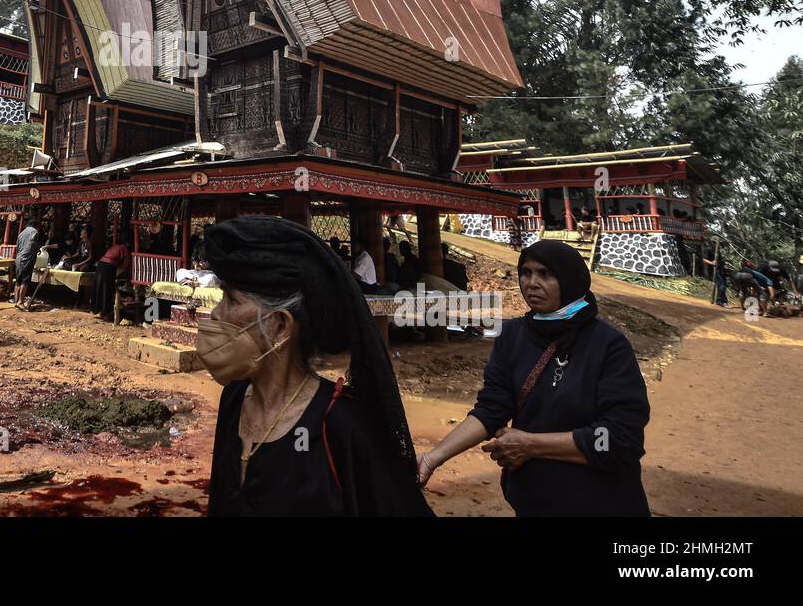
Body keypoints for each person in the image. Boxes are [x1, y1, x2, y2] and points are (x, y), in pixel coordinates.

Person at [199, 215, 432, 516]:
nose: (215, 314)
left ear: (280, 327)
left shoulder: (342, 425)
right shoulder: (233, 399)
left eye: (230, 300)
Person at [420, 240, 651, 516]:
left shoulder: (608, 346)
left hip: (600, 503)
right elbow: (492, 409)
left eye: (545, 274)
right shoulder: (513, 337)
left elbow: (617, 438)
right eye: (526, 272)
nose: (531, 282)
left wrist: (530, 444)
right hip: (535, 503)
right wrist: (432, 459)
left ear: (570, 279)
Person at [92, 230, 131, 319]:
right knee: (107, 289)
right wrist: (116, 274)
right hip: (108, 267)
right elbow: (125, 266)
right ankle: (106, 313)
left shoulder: (114, 247)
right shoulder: (124, 249)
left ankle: (100, 311)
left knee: (100, 288)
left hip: (100, 264)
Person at [12, 215, 43, 309]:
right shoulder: (34, 232)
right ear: (35, 226)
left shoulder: (21, 233)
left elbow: (17, 246)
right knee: (25, 281)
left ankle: (16, 301)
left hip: (19, 258)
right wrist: (38, 249)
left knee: (18, 280)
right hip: (27, 258)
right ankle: (20, 302)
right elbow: (32, 243)